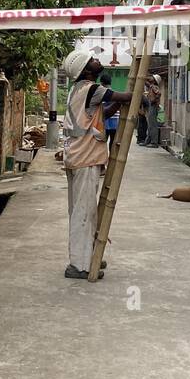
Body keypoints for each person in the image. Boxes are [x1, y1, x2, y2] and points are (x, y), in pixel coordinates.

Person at [61, 49, 131, 279]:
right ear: (86, 70)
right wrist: (140, 93)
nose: (97, 60)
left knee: (83, 212)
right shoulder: (91, 88)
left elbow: (103, 113)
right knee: (83, 213)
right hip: (85, 158)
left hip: (78, 157)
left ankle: (85, 258)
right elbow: (124, 97)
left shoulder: (79, 90)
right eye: (92, 60)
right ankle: (79, 266)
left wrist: (119, 106)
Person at [143, 75, 162, 148]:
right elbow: (146, 82)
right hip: (152, 105)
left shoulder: (154, 87)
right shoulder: (151, 86)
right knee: (150, 125)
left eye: (152, 77)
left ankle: (154, 143)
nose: (150, 78)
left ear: (154, 80)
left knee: (153, 125)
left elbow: (159, 93)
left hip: (153, 106)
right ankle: (148, 141)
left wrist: (154, 100)